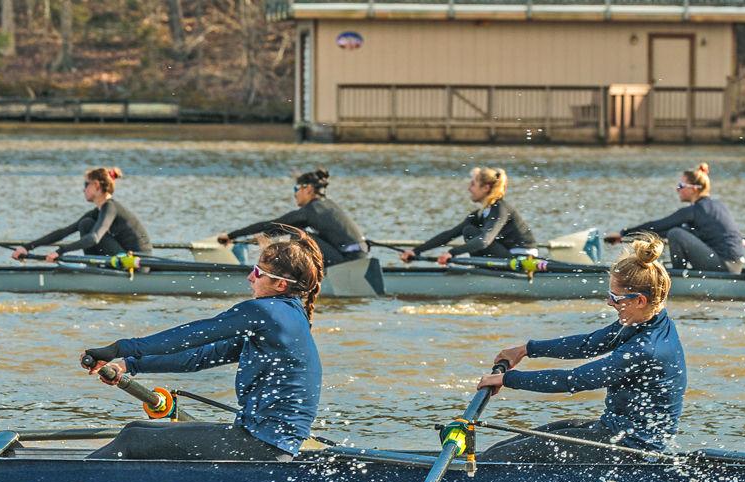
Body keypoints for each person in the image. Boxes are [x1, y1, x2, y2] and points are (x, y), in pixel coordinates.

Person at [81, 231, 325, 462]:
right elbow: (199, 357)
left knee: (132, 440)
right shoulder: (289, 315)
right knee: (135, 428)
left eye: (258, 272)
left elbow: (190, 336)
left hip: (262, 447)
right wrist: (128, 364)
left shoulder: (264, 312)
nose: (250, 277)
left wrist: (119, 348)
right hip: (269, 445)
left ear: (281, 285)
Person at [476, 234, 686, 462]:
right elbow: (588, 344)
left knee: (500, 456)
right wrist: (527, 349)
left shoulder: (645, 349)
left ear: (640, 300)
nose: (609, 303)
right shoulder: (644, 321)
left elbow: (574, 380)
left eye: (615, 297)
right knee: (506, 446)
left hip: (633, 450)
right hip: (613, 429)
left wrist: (507, 380)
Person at [604, 162, 745, 274]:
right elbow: (660, 232)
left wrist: (623, 233)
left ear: (694, 188)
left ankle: (677, 276)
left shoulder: (695, 210)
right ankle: (682, 273)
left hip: (723, 265)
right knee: (676, 232)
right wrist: (627, 238)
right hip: (735, 266)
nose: (677, 189)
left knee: (675, 233)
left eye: (681, 186)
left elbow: (659, 225)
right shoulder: (718, 206)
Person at [217, 168, 368, 267]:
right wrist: (264, 237)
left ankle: (279, 273)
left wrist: (230, 236)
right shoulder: (329, 205)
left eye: (296, 188)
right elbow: (275, 229)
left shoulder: (311, 210)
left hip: (347, 262)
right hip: (359, 256)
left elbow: (270, 225)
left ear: (307, 189)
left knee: (298, 235)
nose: (295, 193)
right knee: (291, 232)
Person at [400, 166, 536, 266]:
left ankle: (481, 271)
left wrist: (452, 253)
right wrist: (416, 251)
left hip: (521, 260)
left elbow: (484, 241)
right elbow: (449, 234)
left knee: (470, 232)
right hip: (508, 256)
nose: (469, 189)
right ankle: (481, 269)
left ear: (485, 188)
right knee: (468, 229)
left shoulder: (500, 208)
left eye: (473, 184)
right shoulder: (481, 213)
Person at [12, 167, 152, 263]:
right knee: (84, 223)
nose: (83, 189)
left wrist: (60, 251)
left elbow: (94, 238)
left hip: (138, 262)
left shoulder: (110, 207)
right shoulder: (99, 210)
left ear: (96, 186)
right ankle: (93, 269)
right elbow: (64, 232)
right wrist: (27, 247)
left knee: (87, 225)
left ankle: (93, 271)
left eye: (86, 185)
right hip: (125, 258)